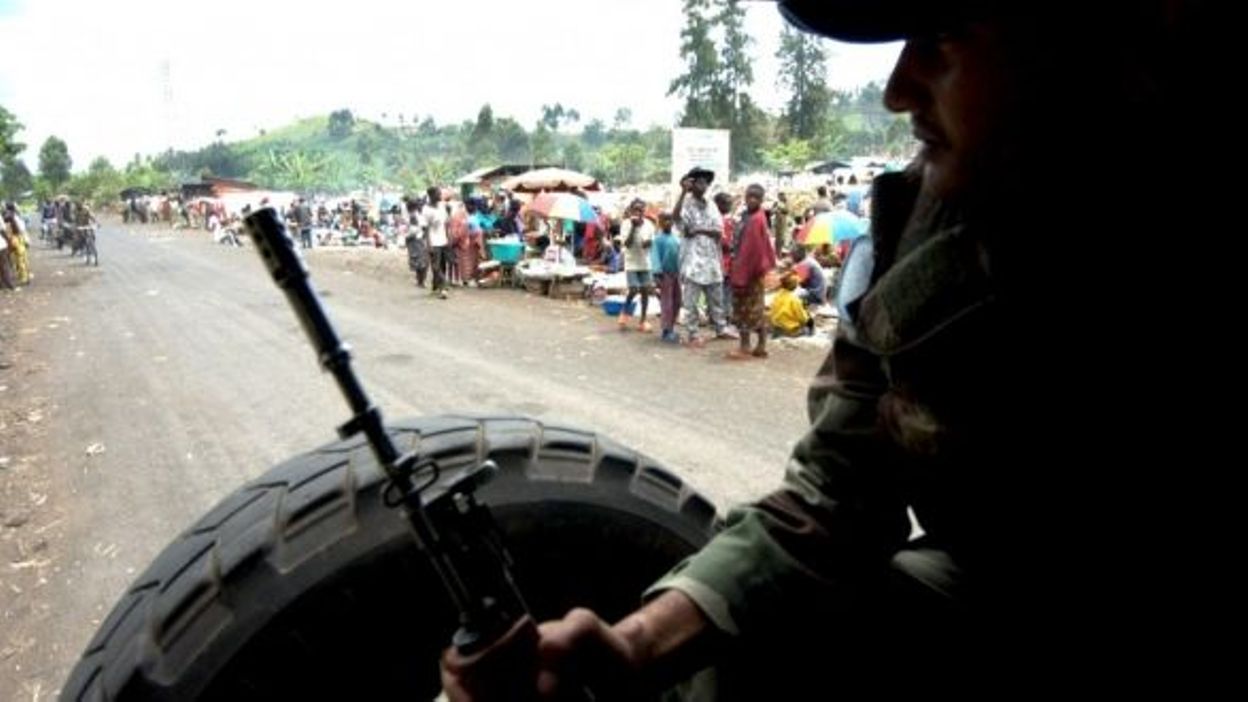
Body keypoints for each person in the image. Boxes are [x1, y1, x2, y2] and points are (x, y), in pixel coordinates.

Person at [443, 1, 1214, 698]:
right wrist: (637, 646)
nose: (899, 89)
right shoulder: (921, 226)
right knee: (760, 643)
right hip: (997, 578)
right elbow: (836, 494)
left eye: (947, 33)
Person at [672, 167, 733, 348]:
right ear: (691, 185)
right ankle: (692, 333)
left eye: (705, 182)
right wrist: (682, 193)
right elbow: (677, 220)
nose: (703, 185)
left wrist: (699, 229)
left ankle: (720, 328)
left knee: (716, 297)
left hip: (711, 258)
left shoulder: (712, 205)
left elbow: (718, 231)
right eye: (698, 182)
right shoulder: (685, 203)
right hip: (692, 259)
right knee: (691, 300)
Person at [725, 184, 776, 360]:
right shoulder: (749, 216)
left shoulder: (756, 220)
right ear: (745, 197)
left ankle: (746, 345)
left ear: (761, 200)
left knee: (745, 310)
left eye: (756, 197)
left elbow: (752, 249)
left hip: (749, 271)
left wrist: (741, 272)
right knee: (755, 309)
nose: (752, 200)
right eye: (749, 197)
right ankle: (760, 345)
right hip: (750, 269)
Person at [617, 199, 655, 333]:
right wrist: (634, 227)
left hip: (645, 262)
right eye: (635, 210)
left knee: (645, 290)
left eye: (641, 210)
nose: (638, 213)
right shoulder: (626, 224)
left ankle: (643, 321)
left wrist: (648, 243)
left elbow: (651, 242)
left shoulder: (649, 225)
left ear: (644, 211)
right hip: (631, 261)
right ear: (631, 210)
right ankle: (624, 312)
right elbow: (627, 244)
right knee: (633, 289)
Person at [651, 212, 682, 344]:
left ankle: (671, 327)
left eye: (670, 220)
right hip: (665, 274)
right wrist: (657, 273)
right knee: (667, 303)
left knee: (677, 301)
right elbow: (655, 257)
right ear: (660, 223)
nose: (668, 222)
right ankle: (666, 330)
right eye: (665, 220)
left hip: (676, 274)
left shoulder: (676, 238)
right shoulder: (658, 240)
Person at [422, 187, 451, 299]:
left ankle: (436, 286)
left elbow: (446, 223)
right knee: (435, 266)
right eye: (438, 194)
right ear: (431, 195)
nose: (440, 196)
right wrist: (429, 244)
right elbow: (425, 228)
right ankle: (444, 285)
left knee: (443, 265)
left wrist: (448, 237)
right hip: (434, 241)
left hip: (443, 239)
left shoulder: (441, 206)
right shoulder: (426, 210)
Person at [713, 192, 736, 325]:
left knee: (726, 289)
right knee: (721, 289)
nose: (729, 206)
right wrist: (730, 246)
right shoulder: (718, 220)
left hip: (728, 261)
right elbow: (722, 242)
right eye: (727, 204)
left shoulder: (729, 220)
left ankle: (725, 315)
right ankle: (721, 316)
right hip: (720, 260)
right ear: (718, 204)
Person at [769, 273, 812, 337]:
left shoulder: (776, 296)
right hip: (790, 330)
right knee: (809, 326)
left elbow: (772, 310)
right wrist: (807, 317)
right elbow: (802, 318)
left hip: (777, 326)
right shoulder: (794, 300)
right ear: (794, 286)